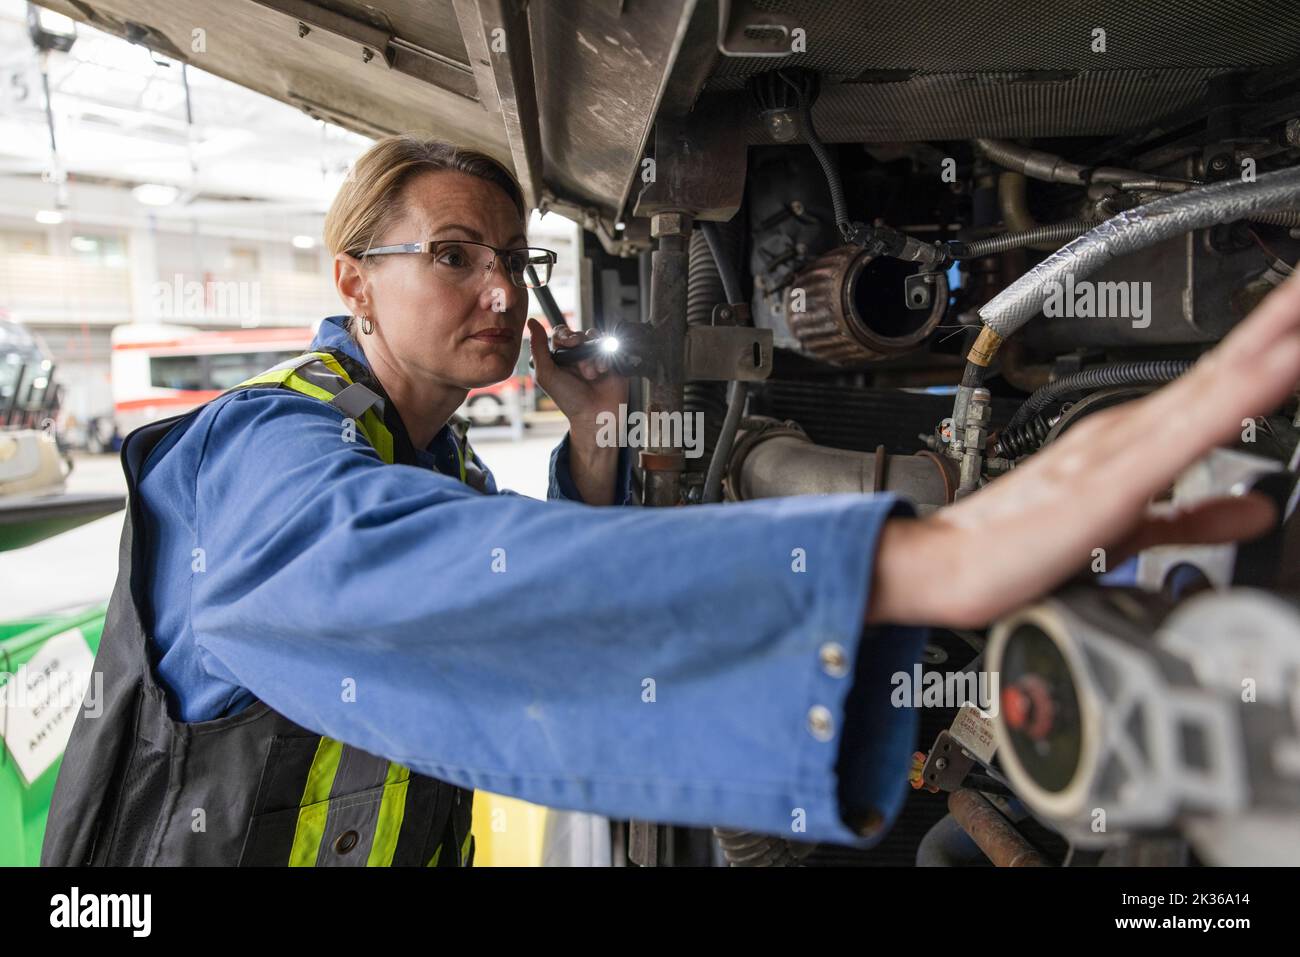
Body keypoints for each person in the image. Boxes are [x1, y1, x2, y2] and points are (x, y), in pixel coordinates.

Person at [42, 135, 1300, 866]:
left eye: (510, 258)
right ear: (351, 281)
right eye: (451, 255)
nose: (496, 291)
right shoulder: (262, 446)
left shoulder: (433, 468)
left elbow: (500, 594)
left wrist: (596, 448)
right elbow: (418, 585)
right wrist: (916, 565)